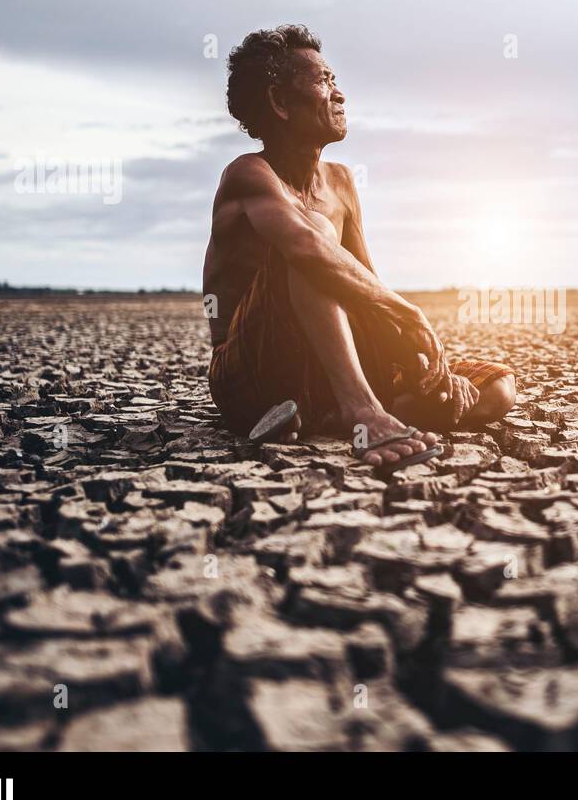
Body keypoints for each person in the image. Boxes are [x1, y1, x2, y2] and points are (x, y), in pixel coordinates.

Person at [203, 25, 516, 470]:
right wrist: (410, 314)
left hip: (321, 369)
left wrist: (423, 361)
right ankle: (361, 411)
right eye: (324, 81)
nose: (339, 94)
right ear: (279, 102)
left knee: (496, 388)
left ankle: (322, 417)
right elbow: (309, 249)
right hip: (249, 376)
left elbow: (365, 285)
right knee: (315, 238)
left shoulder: (342, 182)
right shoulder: (249, 175)